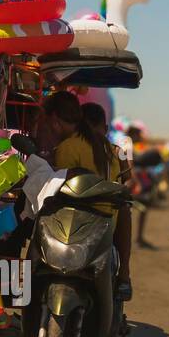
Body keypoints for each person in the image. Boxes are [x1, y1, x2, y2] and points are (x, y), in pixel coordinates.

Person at [42, 92, 132, 299]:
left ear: (54, 121)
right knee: (125, 209)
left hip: (74, 225)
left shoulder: (67, 147)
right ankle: (125, 276)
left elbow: (57, 188)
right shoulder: (113, 150)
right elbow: (126, 179)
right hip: (107, 224)